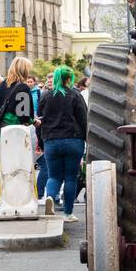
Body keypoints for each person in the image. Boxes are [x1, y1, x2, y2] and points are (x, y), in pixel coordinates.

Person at [36, 66, 87, 220]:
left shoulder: (45, 96)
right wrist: (86, 140)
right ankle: (68, 213)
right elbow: (83, 120)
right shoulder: (76, 95)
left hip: (51, 141)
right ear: (68, 79)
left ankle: (50, 196)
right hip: (73, 140)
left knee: (54, 176)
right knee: (70, 177)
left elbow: (40, 121)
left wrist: (42, 141)